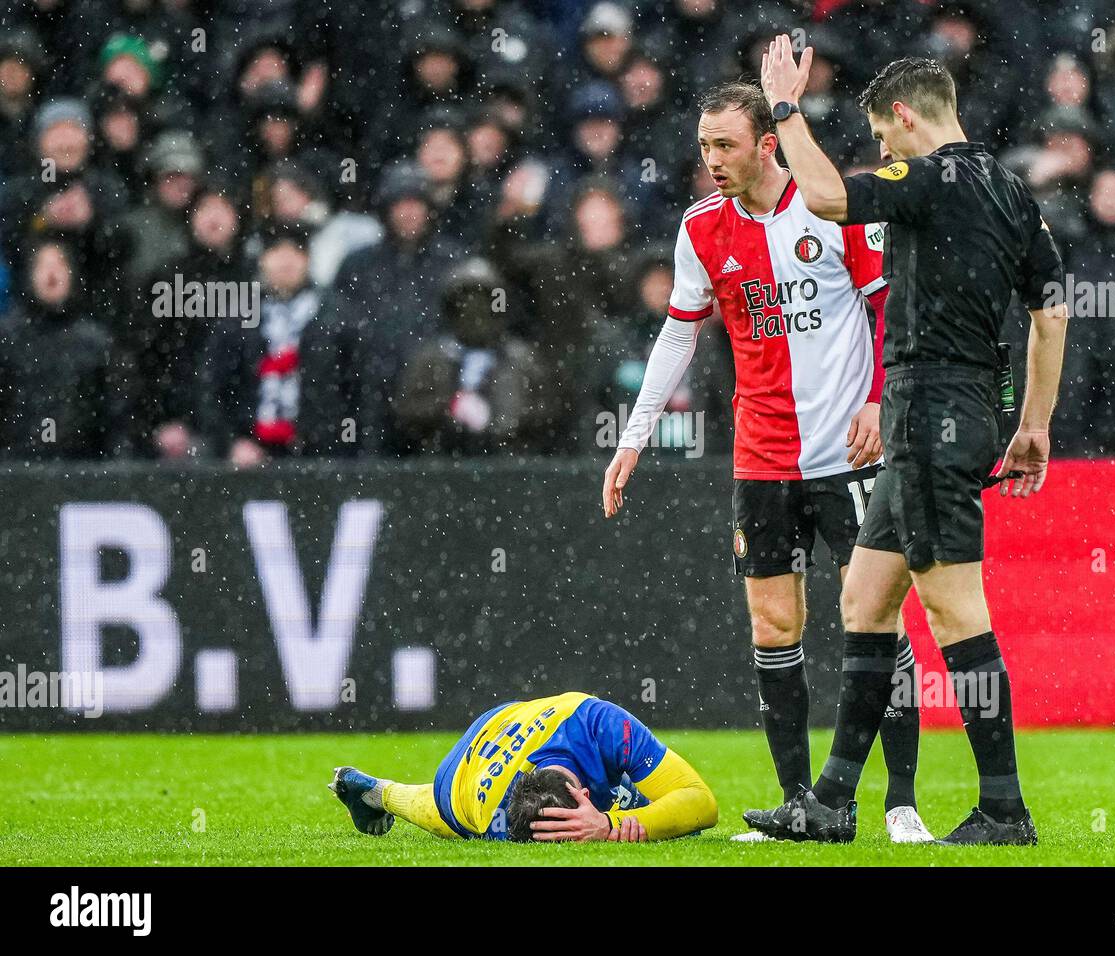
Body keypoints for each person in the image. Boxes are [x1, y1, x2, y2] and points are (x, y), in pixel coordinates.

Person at [751, 40, 1068, 845]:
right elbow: (1053, 310)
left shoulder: (928, 179)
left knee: (955, 607)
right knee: (865, 597)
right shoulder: (1009, 190)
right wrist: (1032, 425)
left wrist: (787, 109)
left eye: (882, 140)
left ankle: (1004, 809)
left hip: (928, 412)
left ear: (902, 117)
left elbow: (822, 197)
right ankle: (828, 804)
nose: (882, 155)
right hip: (964, 411)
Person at [601, 81, 931, 844]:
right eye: (704, 145)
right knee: (775, 624)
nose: (712, 160)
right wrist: (633, 437)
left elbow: (888, 308)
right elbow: (679, 336)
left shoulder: (832, 207)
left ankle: (900, 801)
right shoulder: (702, 229)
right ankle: (798, 803)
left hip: (847, 456)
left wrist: (880, 402)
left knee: (874, 617)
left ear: (766, 145)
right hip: (763, 459)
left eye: (725, 145)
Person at [329, 691, 717, 843]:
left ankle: (372, 790)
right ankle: (380, 792)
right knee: (427, 808)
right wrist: (623, 827)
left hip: (530, 715)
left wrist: (608, 825)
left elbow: (704, 803)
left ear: (587, 795)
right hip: (463, 774)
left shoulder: (602, 723)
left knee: (658, 811)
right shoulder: (494, 819)